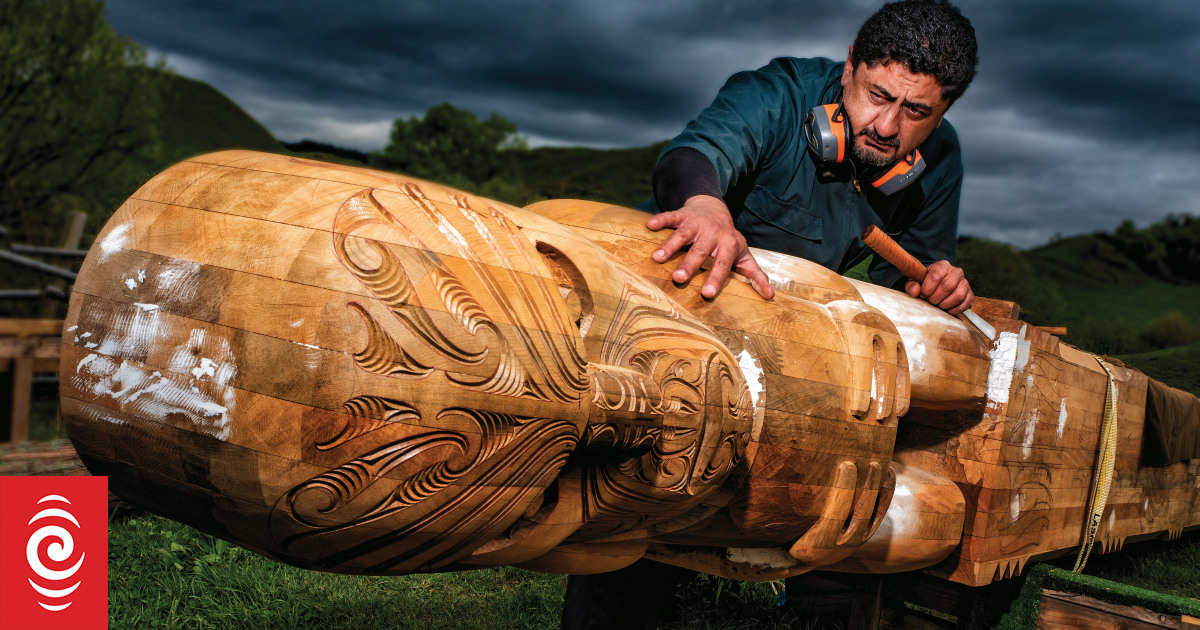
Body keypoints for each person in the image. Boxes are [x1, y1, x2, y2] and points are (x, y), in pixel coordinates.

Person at [562, 1, 979, 627]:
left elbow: (906, 283)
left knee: (758, 510)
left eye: (915, 112)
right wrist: (705, 207)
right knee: (637, 512)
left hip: (788, 345)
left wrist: (935, 289)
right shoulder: (774, 92)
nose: (887, 126)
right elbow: (690, 157)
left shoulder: (938, 162)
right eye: (877, 95)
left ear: (942, 112)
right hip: (676, 310)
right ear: (848, 69)